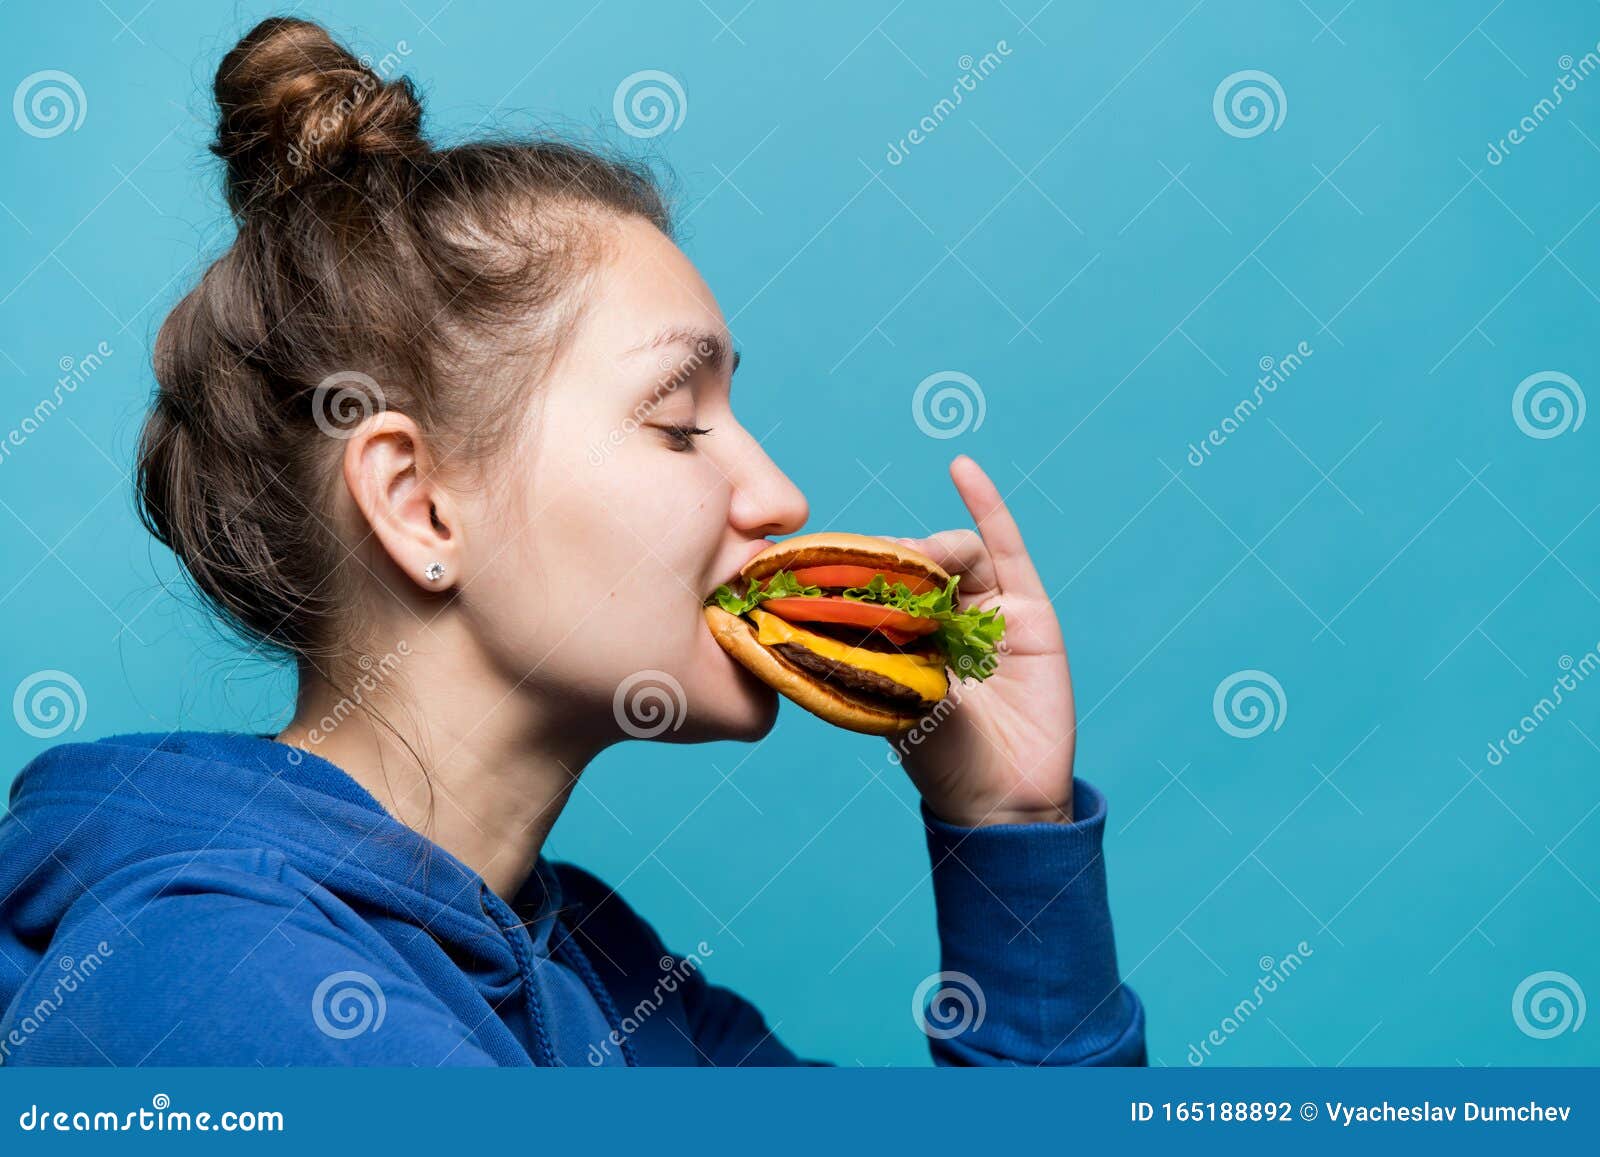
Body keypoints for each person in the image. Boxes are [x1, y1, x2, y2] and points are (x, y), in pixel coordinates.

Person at [0, 17, 1143, 1067]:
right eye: (679, 424)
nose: (781, 497)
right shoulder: (214, 986)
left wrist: (1012, 831)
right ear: (417, 503)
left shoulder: (614, 977)